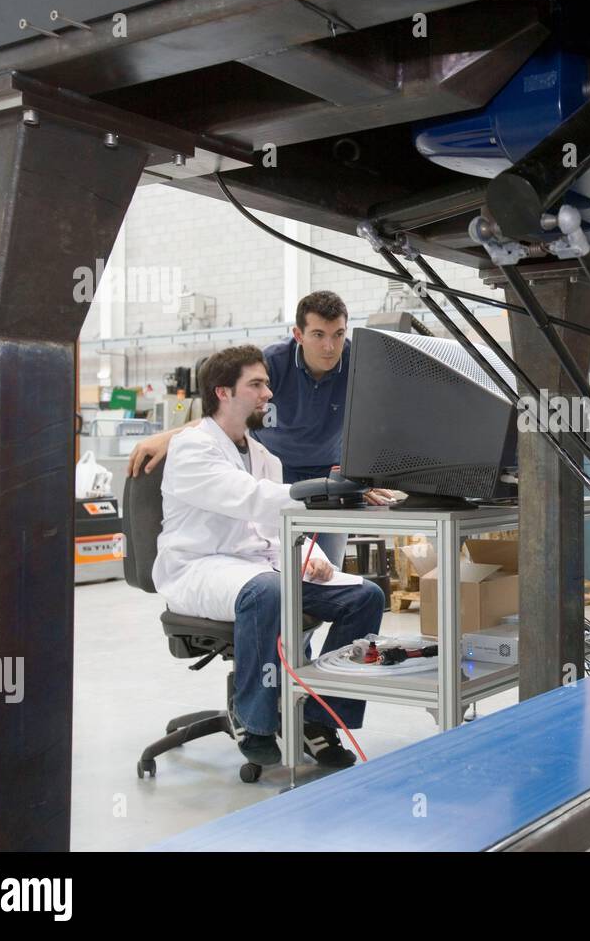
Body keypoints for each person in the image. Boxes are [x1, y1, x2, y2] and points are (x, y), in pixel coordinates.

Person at [152, 345, 384, 767]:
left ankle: (321, 715)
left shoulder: (265, 457)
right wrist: (321, 489)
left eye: (266, 383)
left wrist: (312, 559)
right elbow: (249, 499)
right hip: (199, 567)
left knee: (364, 595)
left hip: (256, 569)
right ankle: (253, 718)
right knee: (269, 589)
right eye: (256, 385)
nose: (268, 395)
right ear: (224, 392)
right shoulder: (192, 448)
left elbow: (278, 534)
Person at [130, 291, 393, 566]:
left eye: (338, 334)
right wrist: (171, 436)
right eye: (318, 335)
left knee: (326, 569)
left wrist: (360, 479)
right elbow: (229, 412)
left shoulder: (359, 364)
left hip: (330, 474)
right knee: (271, 559)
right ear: (298, 335)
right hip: (274, 471)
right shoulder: (272, 365)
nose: (329, 346)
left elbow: (373, 425)